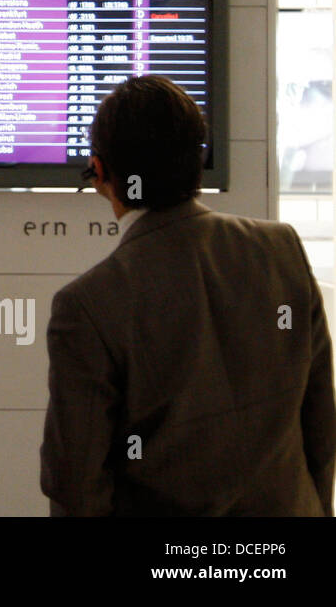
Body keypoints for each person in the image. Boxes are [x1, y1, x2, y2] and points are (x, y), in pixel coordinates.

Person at [41, 75, 336, 516]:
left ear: (101, 173)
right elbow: (319, 422)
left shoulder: (88, 304)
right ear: (197, 157)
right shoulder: (281, 249)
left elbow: (77, 482)